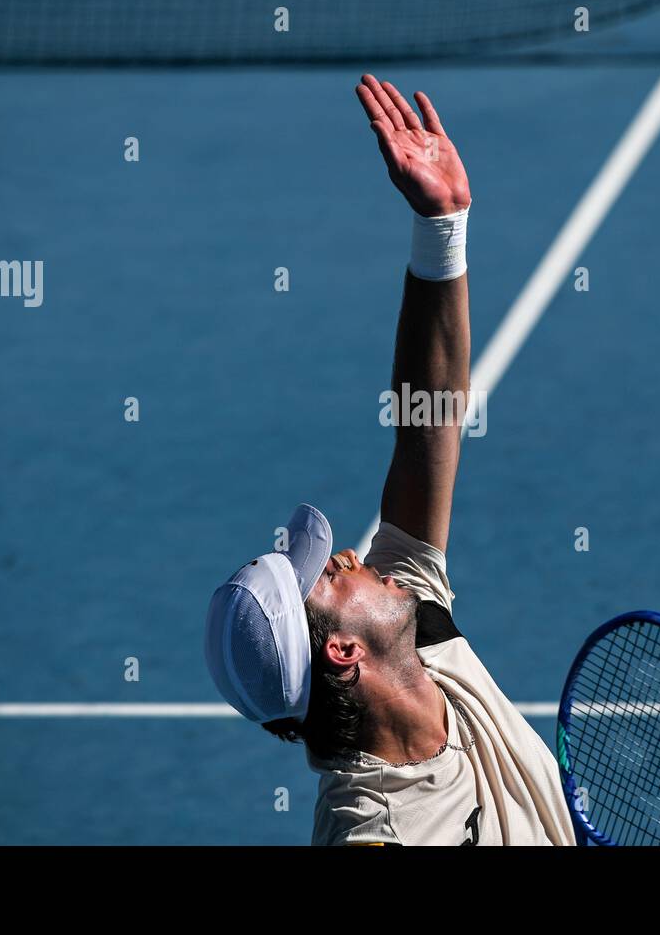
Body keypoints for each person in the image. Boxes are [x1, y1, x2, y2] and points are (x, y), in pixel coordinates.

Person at [204, 75, 575, 846]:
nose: (348, 553)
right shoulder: (378, 836)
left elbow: (426, 422)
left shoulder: (422, 625)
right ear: (344, 652)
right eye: (331, 576)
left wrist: (442, 226)